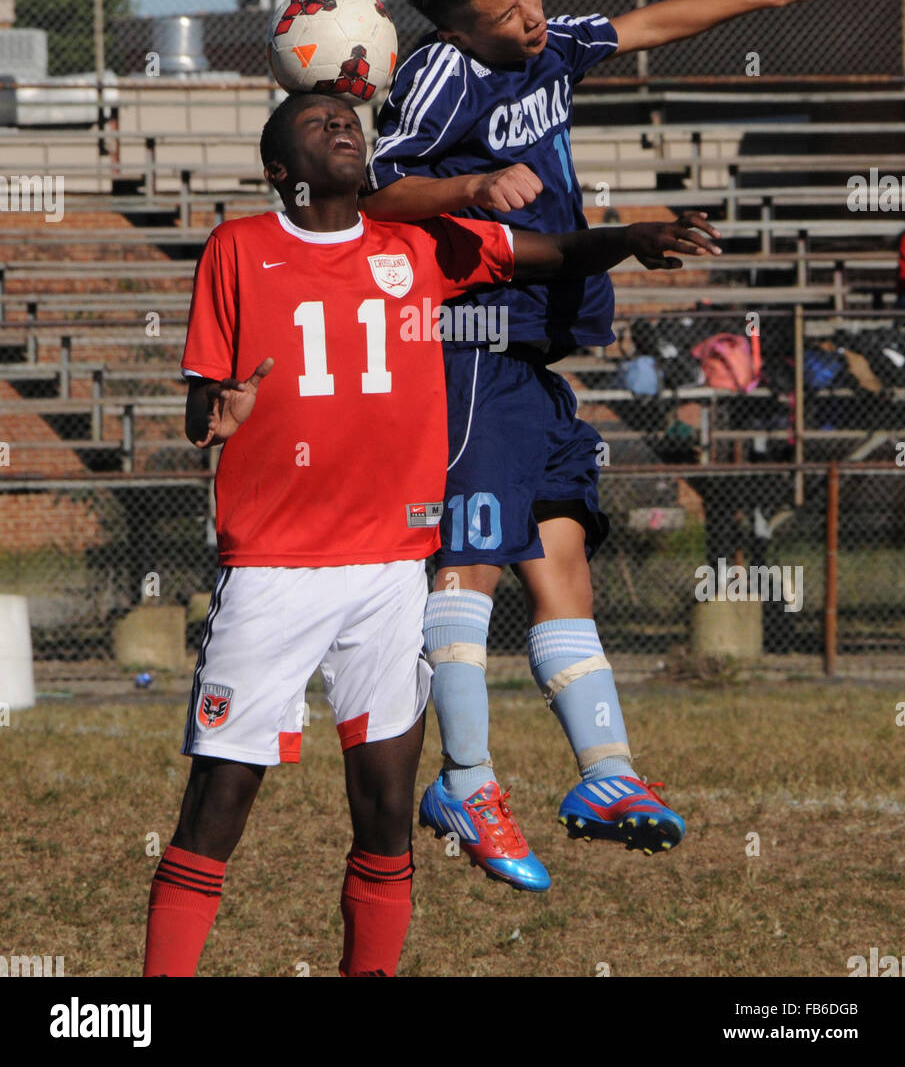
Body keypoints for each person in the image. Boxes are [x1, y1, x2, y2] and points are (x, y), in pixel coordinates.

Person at [141, 91, 720, 976]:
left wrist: (630, 238)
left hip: (389, 573)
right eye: (313, 124)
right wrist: (215, 414)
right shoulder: (238, 248)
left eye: (347, 119)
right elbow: (200, 408)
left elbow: (555, 253)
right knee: (219, 801)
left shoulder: (419, 247)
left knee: (383, 816)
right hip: (273, 568)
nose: (340, 127)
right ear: (278, 171)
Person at [362, 0, 839, 889]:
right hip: (469, 357)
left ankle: (606, 776)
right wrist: (475, 184)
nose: (529, 17)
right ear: (455, 27)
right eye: (503, 14)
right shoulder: (444, 73)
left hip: (533, 361)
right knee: (470, 568)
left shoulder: (551, 46)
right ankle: (466, 781)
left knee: (562, 560)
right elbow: (378, 187)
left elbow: (649, 22)